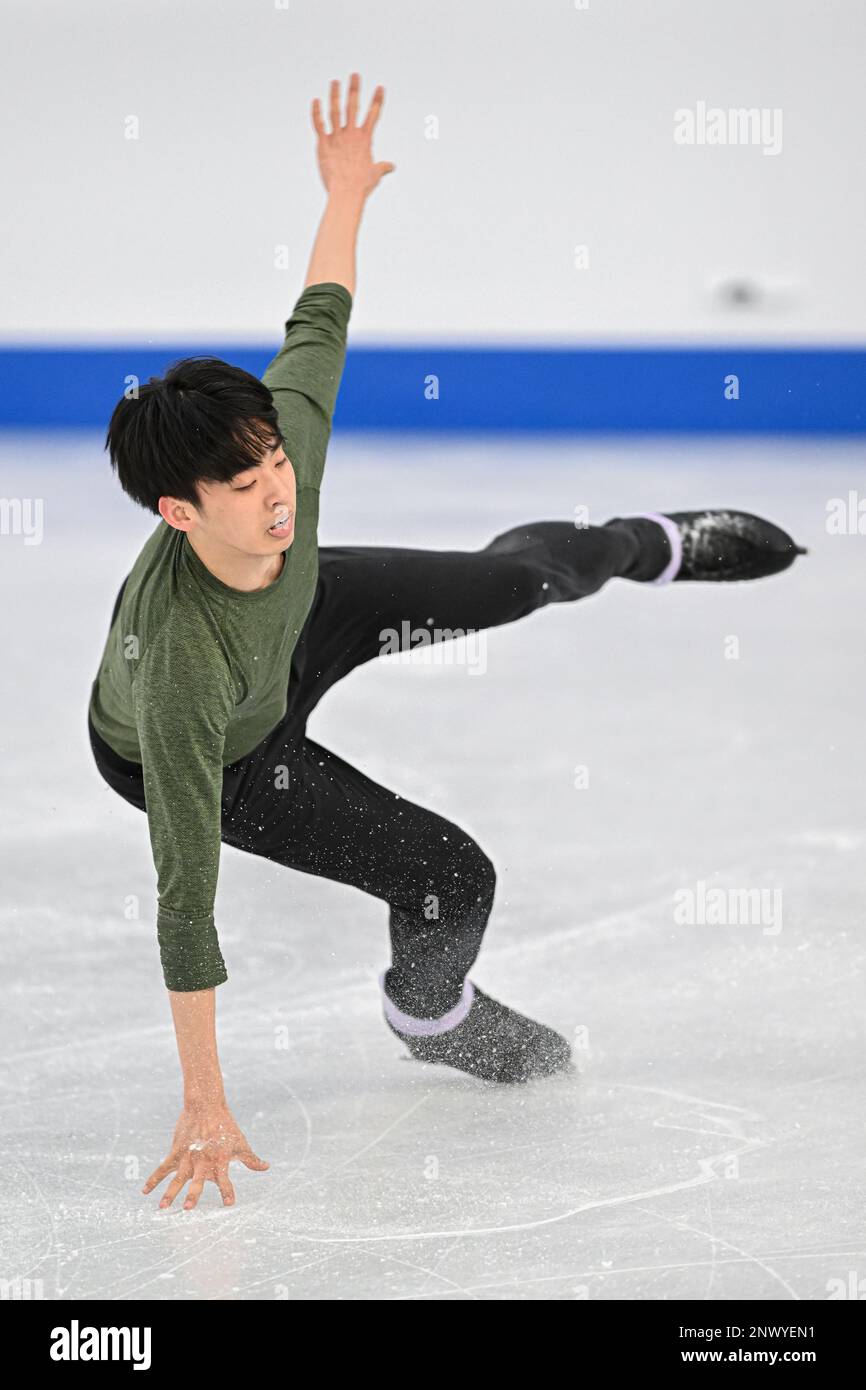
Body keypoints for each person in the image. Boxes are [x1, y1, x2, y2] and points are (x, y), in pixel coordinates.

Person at [87, 73, 806, 1212]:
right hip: (230, 738)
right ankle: (429, 1010)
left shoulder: (283, 454)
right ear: (178, 511)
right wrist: (204, 1098)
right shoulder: (177, 666)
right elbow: (184, 897)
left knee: (515, 582)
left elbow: (318, 309)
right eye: (242, 481)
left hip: (299, 615)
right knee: (449, 874)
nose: (277, 489)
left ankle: (638, 543)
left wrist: (343, 190)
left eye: (275, 459)